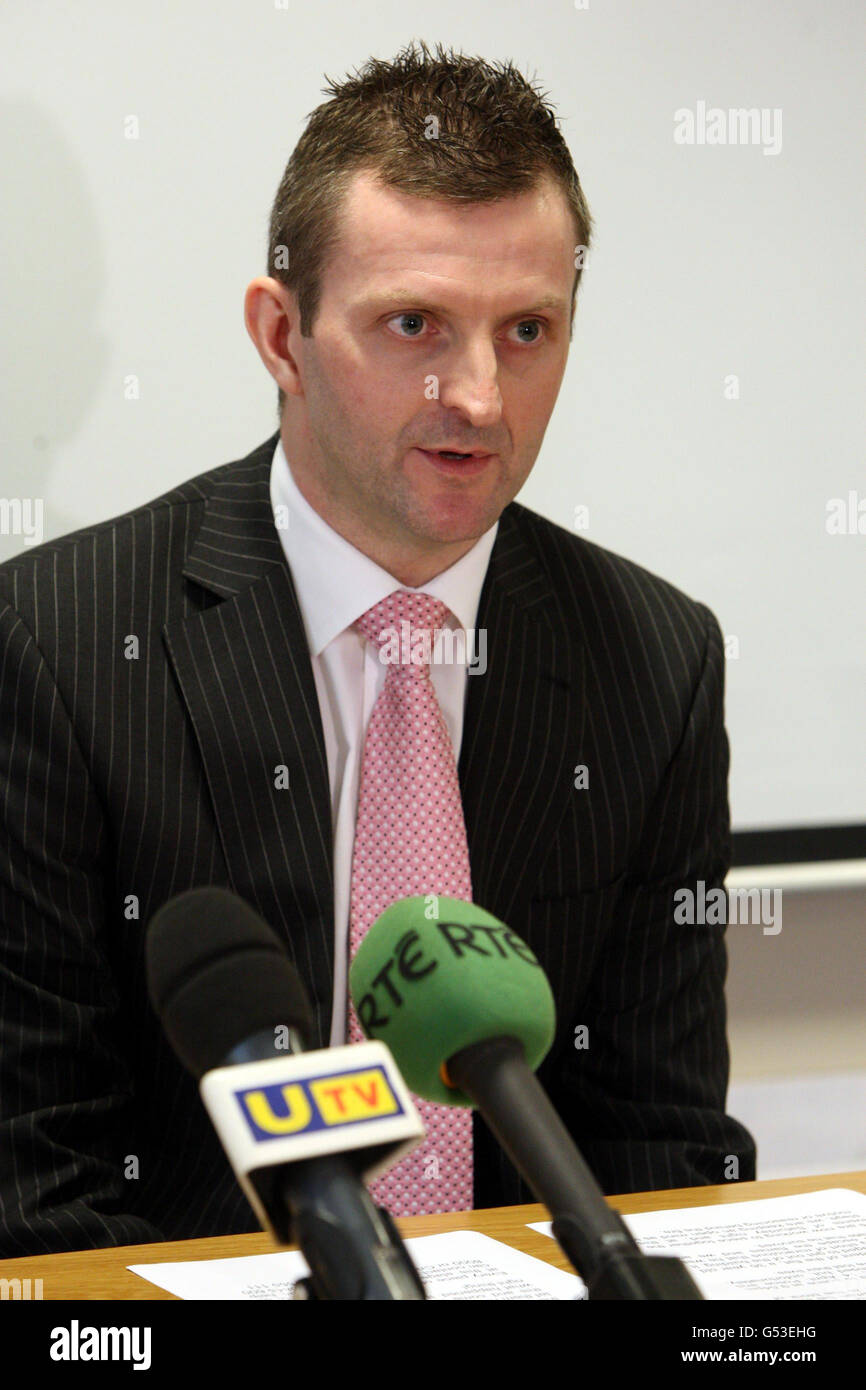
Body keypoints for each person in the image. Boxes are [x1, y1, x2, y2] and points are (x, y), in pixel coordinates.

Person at [0, 41, 755, 1256]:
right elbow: (31, 1189)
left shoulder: (652, 660)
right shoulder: (57, 644)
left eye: (526, 330)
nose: (480, 398)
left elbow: (660, 1147)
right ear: (280, 336)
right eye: (413, 323)